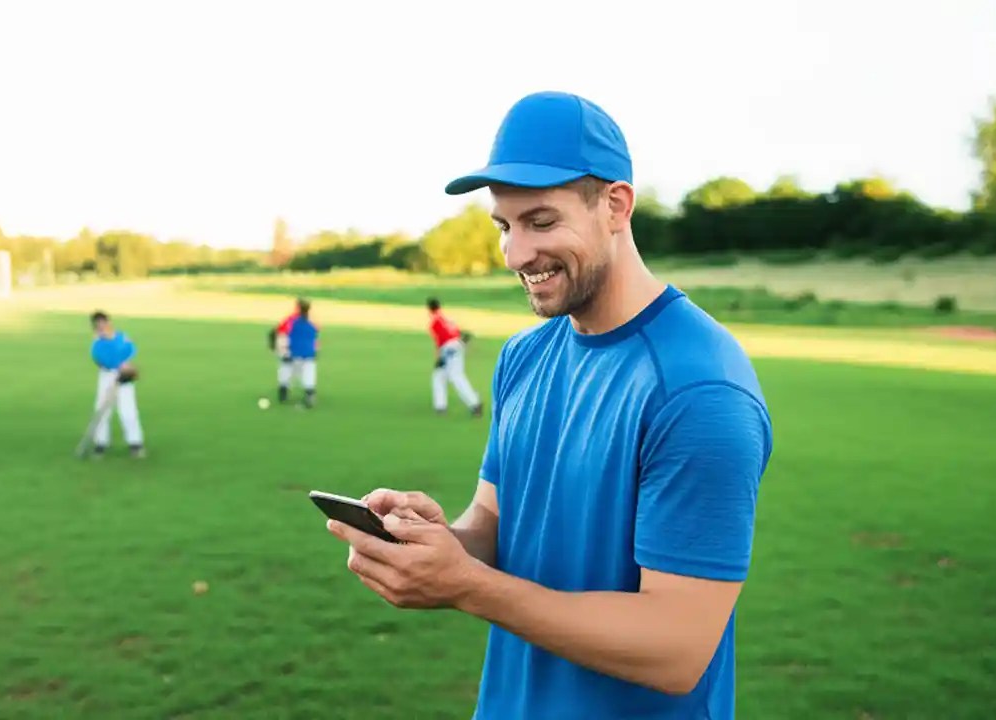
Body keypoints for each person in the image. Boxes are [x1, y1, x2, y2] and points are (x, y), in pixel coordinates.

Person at [325, 91, 773, 719]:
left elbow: (678, 649)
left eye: (541, 221)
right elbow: (493, 527)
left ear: (615, 206)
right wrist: (441, 544)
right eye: (505, 227)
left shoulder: (698, 390)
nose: (516, 255)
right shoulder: (524, 357)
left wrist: (469, 586)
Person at [89, 310, 145, 458]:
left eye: (103, 323)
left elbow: (131, 350)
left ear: (109, 323)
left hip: (124, 377)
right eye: (98, 326)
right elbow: (104, 361)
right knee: (102, 409)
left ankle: (135, 443)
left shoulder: (122, 337)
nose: (102, 328)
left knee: (128, 411)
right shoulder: (97, 344)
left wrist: (127, 367)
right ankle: (101, 443)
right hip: (107, 377)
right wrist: (120, 365)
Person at [427, 297, 483, 417]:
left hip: (448, 349)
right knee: (439, 376)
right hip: (457, 345)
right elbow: (458, 334)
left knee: (456, 376)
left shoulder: (435, 322)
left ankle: (475, 403)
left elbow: (440, 341)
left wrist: (439, 357)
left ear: (429, 309)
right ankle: (440, 406)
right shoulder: (446, 319)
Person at [273, 297, 319, 408]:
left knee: (285, 373)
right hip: (308, 355)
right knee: (308, 375)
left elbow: (281, 336)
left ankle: (283, 393)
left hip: (292, 354)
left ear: (297, 307)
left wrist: (282, 352)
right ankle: (309, 395)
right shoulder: (313, 323)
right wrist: (315, 351)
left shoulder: (290, 321)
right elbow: (314, 340)